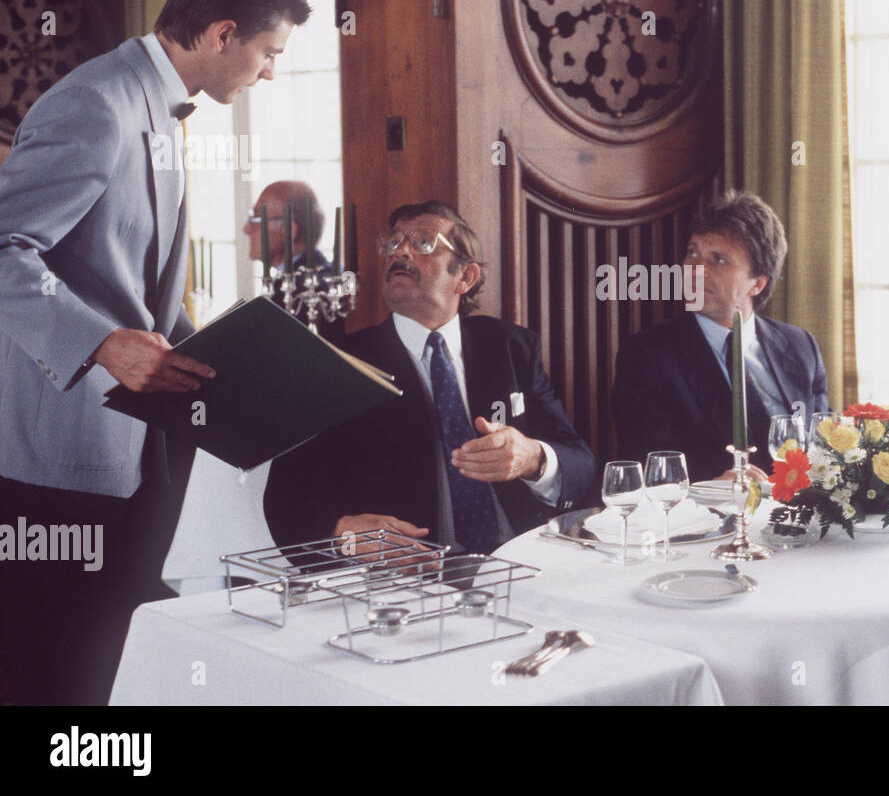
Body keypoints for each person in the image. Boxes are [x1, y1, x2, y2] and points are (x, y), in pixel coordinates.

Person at [0, 0, 310, 705]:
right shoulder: (96, 103)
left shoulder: (156, 104)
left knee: (115, 667)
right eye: (269, 52)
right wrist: (102, 343)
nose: (271, 70)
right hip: (57, 463)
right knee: (58, 672)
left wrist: (241, 359)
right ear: (223, 34)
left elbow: (131, 281)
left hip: (133, 452)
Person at [264, 200, 595, 556]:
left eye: (422, 242)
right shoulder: (335, 364)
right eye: (393, 243)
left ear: (465, 277)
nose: (400, 252)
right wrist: (343, 533)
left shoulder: (512, 347)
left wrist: (532, 457)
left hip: (522, 560)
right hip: (406, 577)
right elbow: (286, 502)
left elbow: (580, 463)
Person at [612, 191, 829, 482]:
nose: (695, 271)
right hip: (713, 519)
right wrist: (713, 488)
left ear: (757, 283)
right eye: (692, 254)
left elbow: (827, 447)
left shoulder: (801, 346)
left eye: (719, 261)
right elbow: (651, 472)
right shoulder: (647, 356)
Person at [245, 180, 346, 346]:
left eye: (257, 219)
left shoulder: (293, 294)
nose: (247, 229)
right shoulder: (333, 277)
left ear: (289, 230)